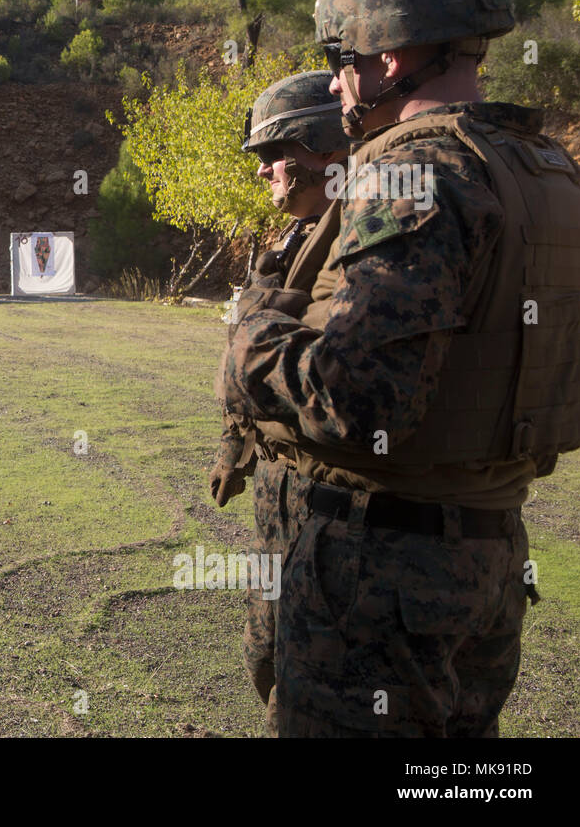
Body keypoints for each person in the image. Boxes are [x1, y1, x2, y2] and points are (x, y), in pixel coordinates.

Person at [222, 0, 580, 736]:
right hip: (486, 552)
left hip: (379, 575)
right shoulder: (546, 170)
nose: (337, 79)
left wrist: (251, 339)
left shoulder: (411, 173)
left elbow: (355, 402)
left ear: (388, 57)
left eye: (342, 57)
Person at [208, 70, 349, 732]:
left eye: (273, 154)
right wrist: (234, 449)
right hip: (281, 506)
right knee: (264, 659)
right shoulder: (293, 241)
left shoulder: (364, 237)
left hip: (335, 521)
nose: (263, 172)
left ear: (323, 147)